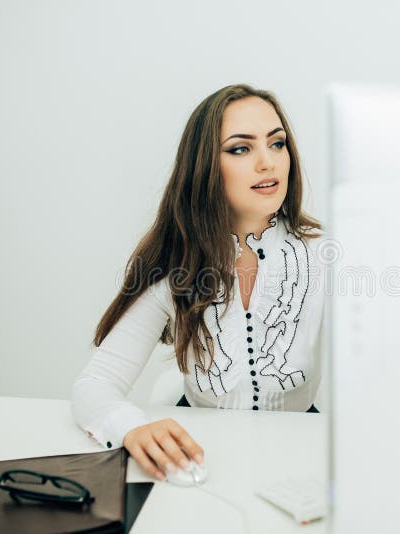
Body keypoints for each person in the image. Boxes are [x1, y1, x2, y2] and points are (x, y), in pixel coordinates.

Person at [71, 83, 326, 481]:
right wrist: (131, 427)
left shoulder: (325, 256)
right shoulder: (175, 264)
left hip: (299, 453)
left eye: (277, 144)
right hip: (200, 455)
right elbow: (95, 384)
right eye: (240, 148)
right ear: (205, 165)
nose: (268, 163)